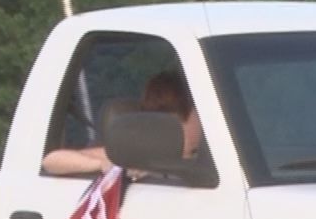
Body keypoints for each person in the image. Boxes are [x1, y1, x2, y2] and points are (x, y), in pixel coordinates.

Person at [43, 70, 201, 176]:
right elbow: (52, 160)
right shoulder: (140, 152)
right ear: (174, 116)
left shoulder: (209, 155)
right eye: (199, 111)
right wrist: (103, 165)